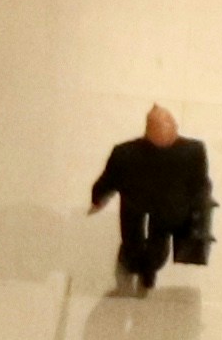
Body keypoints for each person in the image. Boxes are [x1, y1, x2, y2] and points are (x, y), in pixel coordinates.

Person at [88, 106, 214, 293]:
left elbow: (109, 178)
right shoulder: (193, 151)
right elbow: (200, 182)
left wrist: (98, 196)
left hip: (135, 202)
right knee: (159, 237)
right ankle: (150, 269)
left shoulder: (125, 152)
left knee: (132, 233)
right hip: (169, 207)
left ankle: (132, 261)